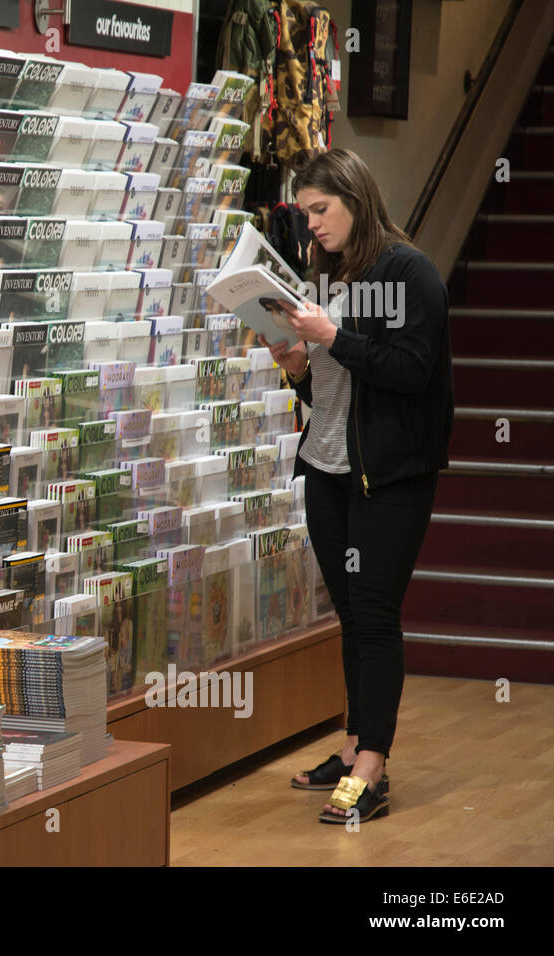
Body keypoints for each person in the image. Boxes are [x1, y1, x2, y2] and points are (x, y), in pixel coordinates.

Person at [260, 149, 453, 826]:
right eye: (303, 212)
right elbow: (334, 392)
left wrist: (332, 335)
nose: (310, 224)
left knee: (375, 615)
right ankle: (350, 749)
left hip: (388, 478)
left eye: (321, 210)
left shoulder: (409, 272)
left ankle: (373, 766)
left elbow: (411, 371)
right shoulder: (331, 276)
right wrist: (296, 365)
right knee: (350, 617)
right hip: (329, 469)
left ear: (356, 199)